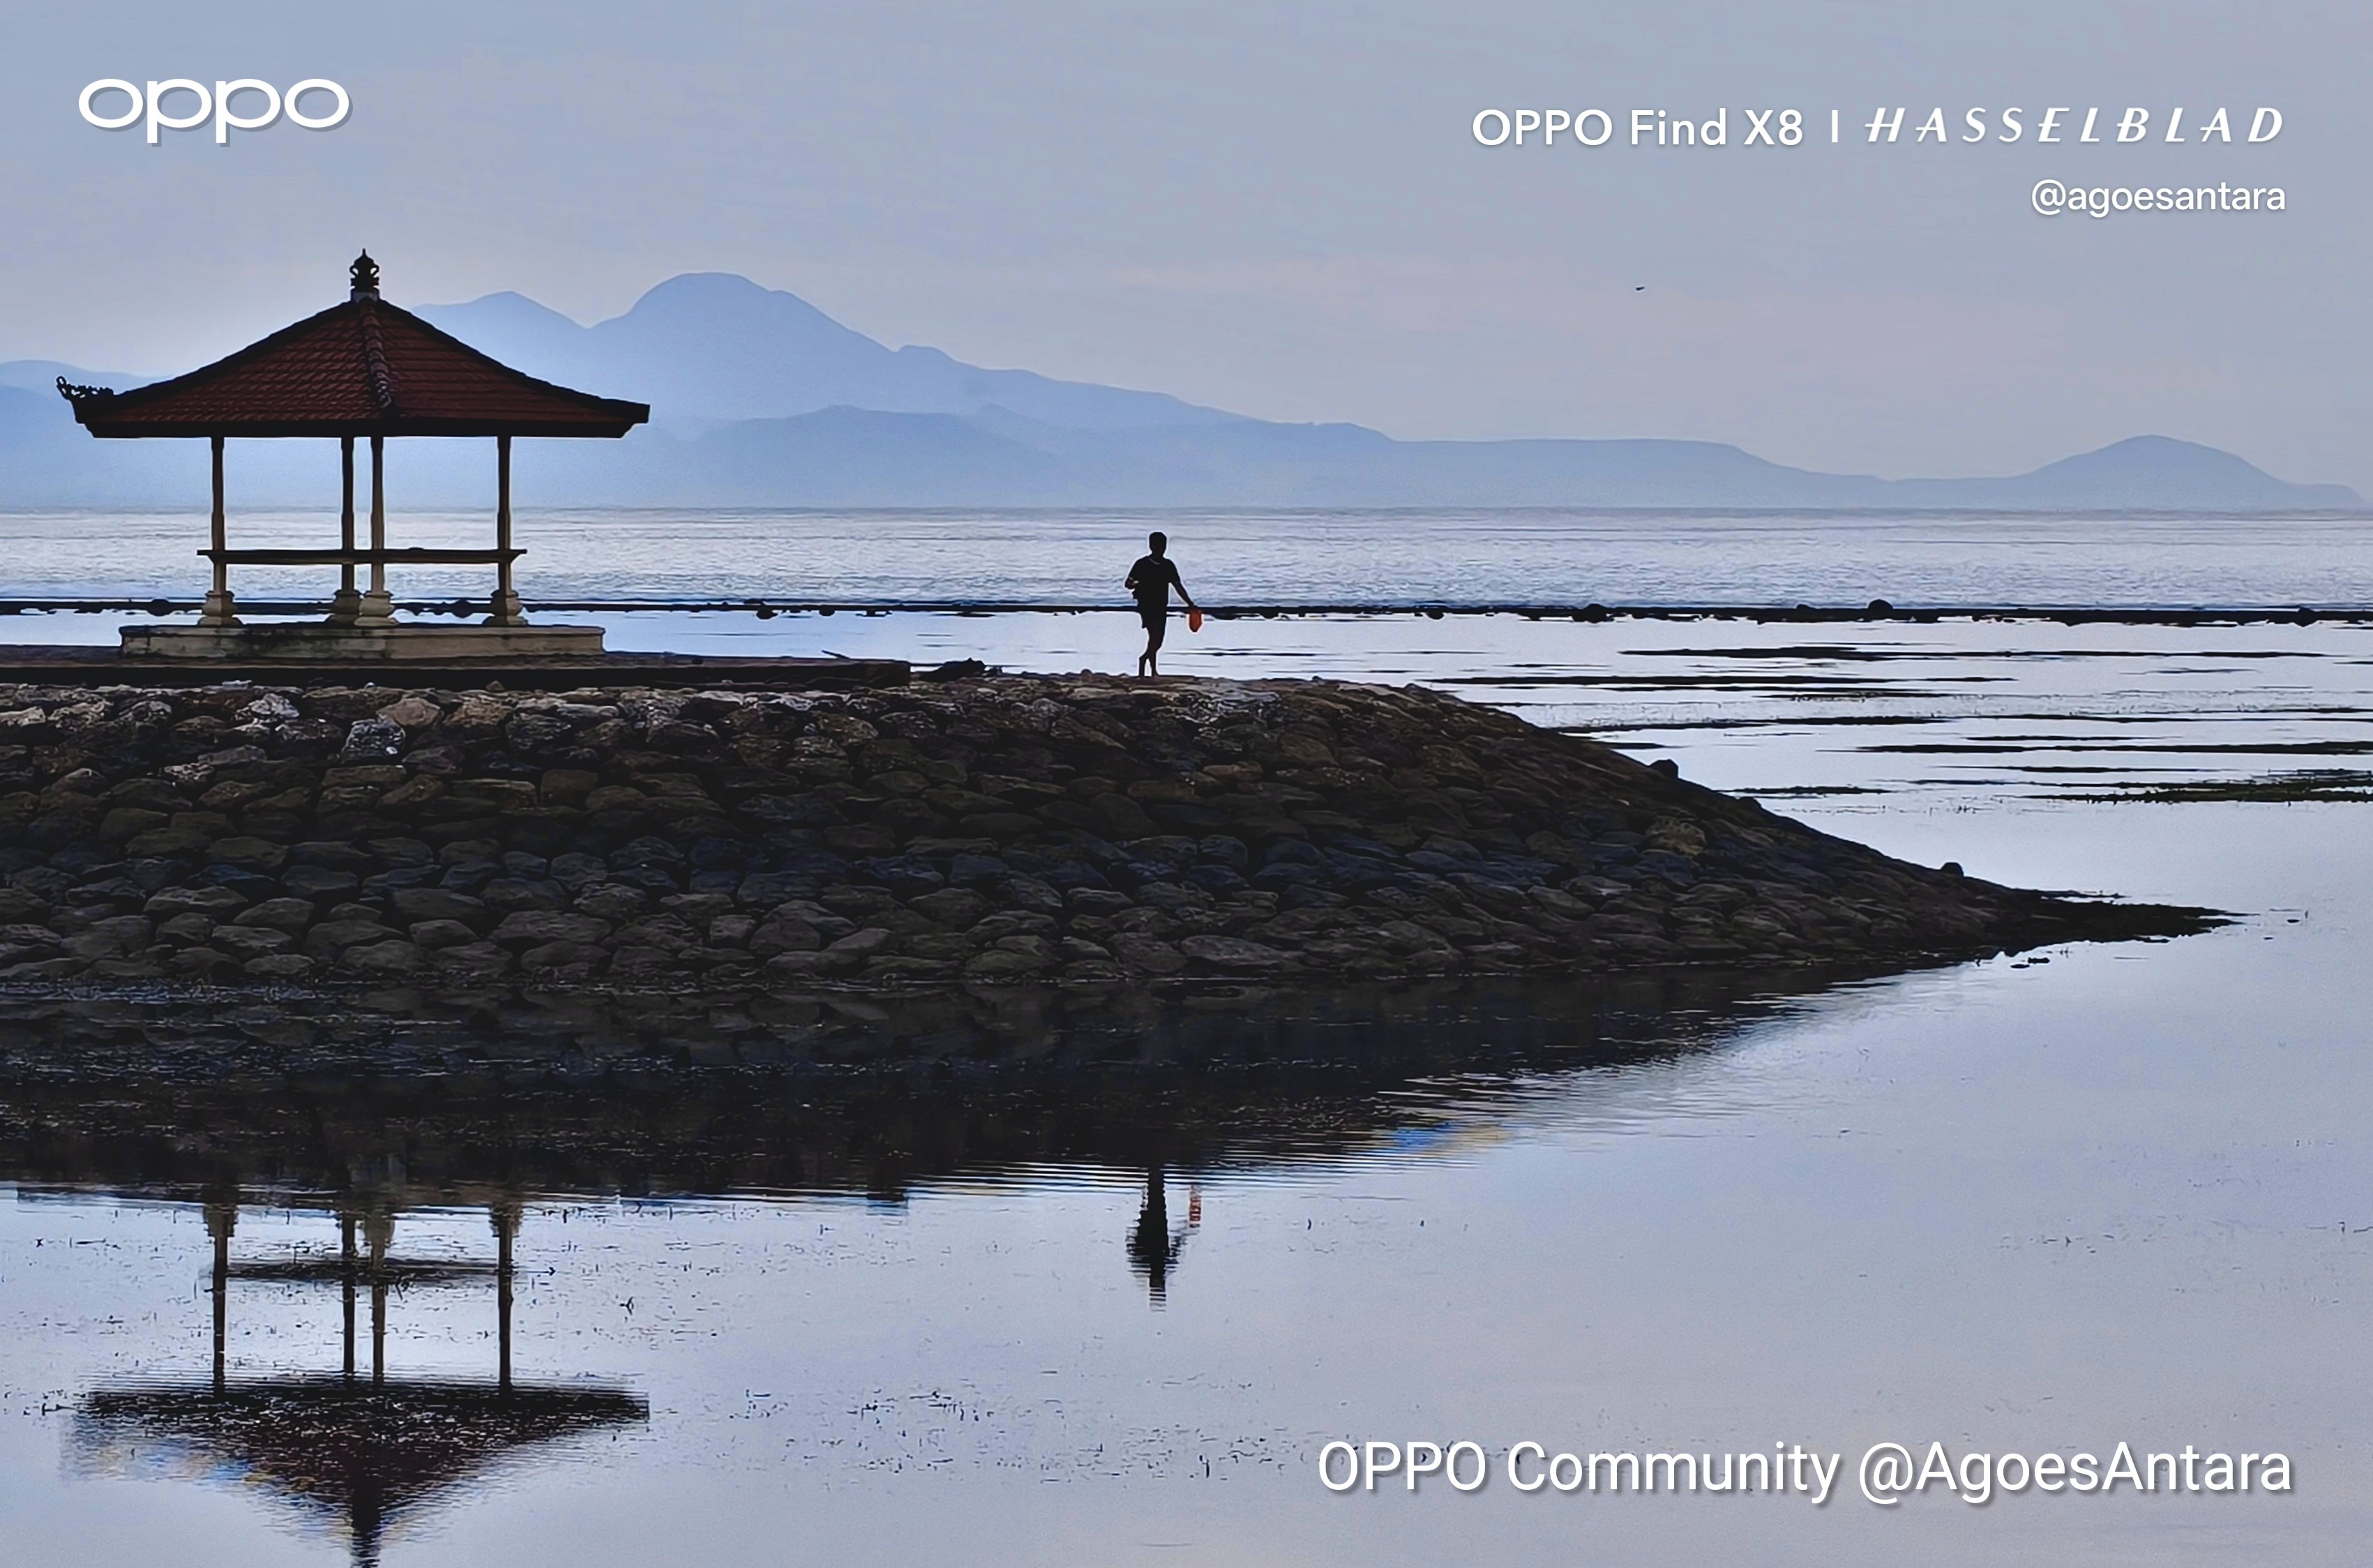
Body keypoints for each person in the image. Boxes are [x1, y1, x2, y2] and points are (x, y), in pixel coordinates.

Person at [1125, 530, 1198, 677]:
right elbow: (1128, 583)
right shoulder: (1142, 564)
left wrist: (1190, 603)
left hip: (1161, 606)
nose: (1161, 548)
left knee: (1158, 639)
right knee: (1155, 636)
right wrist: (1135, 583)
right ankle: (1143, 661)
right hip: (1146, 605)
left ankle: (1152, 670)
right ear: (1151, 546)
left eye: (1163, 545)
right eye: (1157, 545)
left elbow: (1178, 586)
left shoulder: (1168, 565)